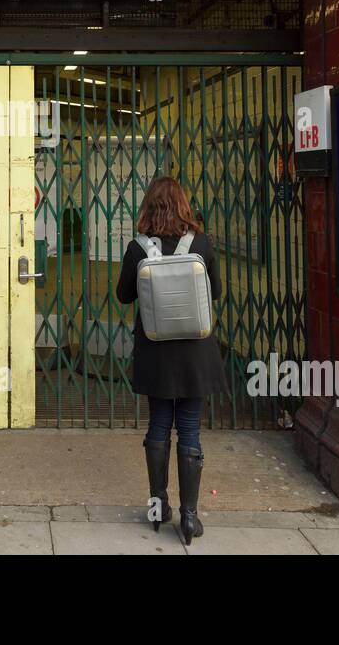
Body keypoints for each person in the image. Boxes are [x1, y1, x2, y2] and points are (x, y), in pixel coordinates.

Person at [115, 176, 224, 544]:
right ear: (183, 205)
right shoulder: (202, 243)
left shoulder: (138, 248)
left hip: (156, 352)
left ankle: (158, 507)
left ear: (149, 207)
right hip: (195, 352)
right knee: (190, 428)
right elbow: (217, 291)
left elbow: (123, 296)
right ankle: (190, 517)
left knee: (159, 424)